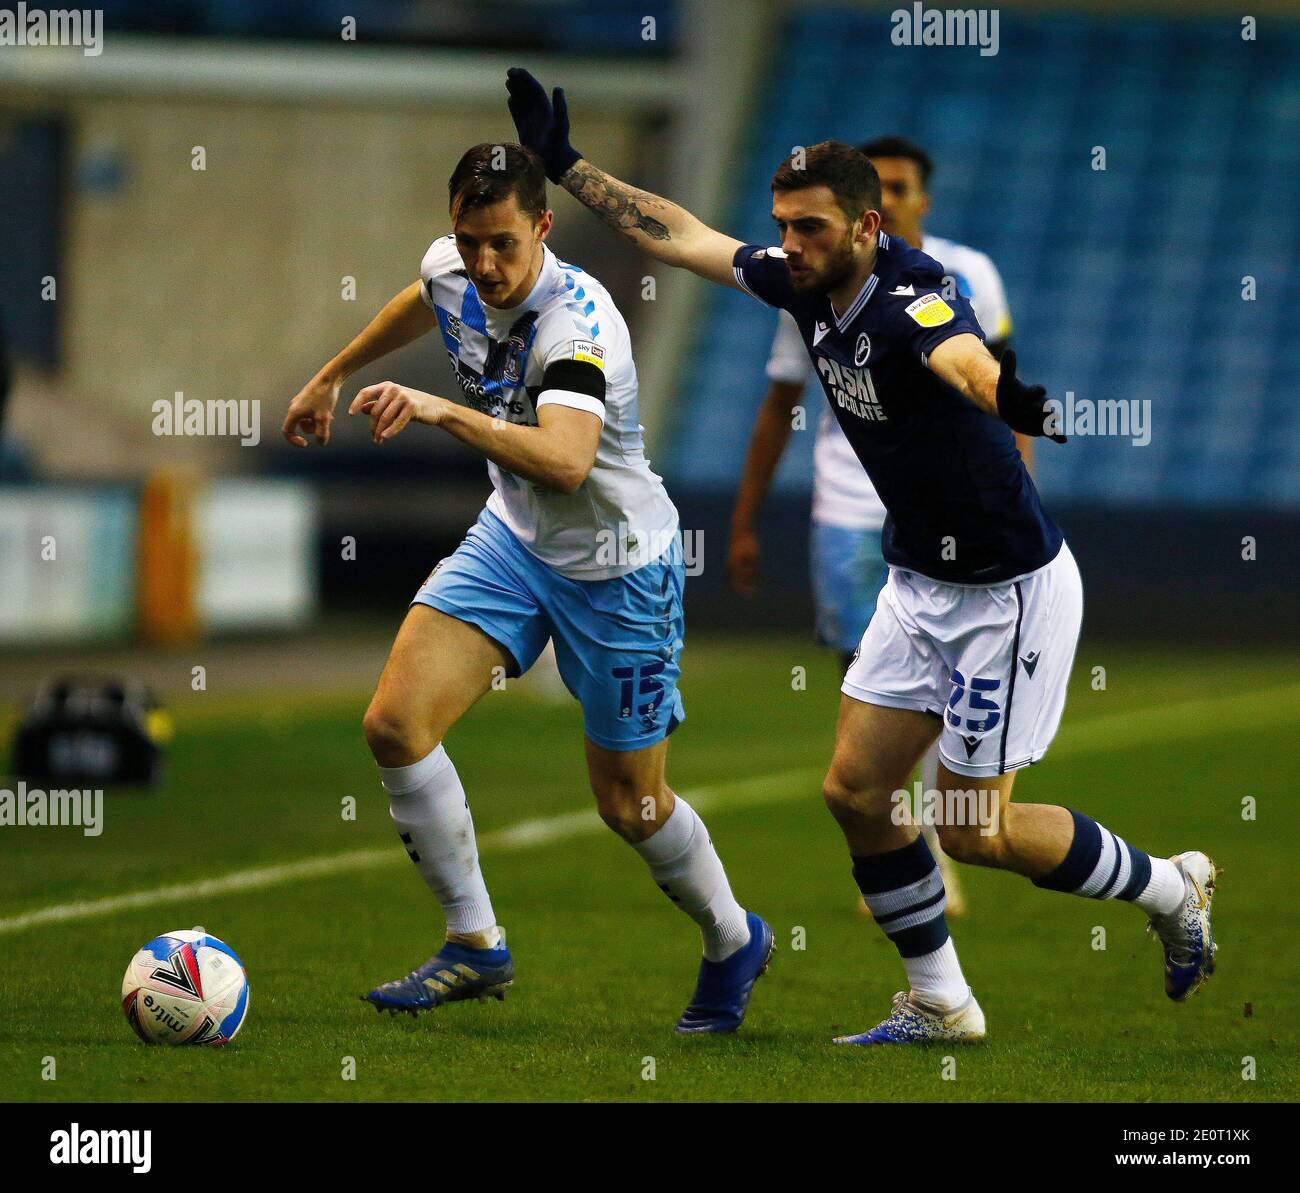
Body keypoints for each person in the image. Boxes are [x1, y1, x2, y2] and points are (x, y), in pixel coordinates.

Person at [504, 68, 1217, 1044]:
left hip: (1004, 591)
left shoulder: (911, 295)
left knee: (976, 830)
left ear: (866, 227)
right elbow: (680, 235)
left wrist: (1005, 397)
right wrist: (567, 165)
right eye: (782, 225)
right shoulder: (800, 287)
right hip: (917, 580)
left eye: (811, 229)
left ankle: (1171, 888)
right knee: (854, 791)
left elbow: (958, 354)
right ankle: (941, 1001)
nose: (790, 245)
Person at [282, 142, 772, 1034]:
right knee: (394, 724)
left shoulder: (579, 324)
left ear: (544, 226)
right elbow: (424, 299)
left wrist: (439, 409)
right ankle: (474, 941)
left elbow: (564, 459)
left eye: (503, 243)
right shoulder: (455, 267)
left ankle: (732, 936)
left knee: (630, 804)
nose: (485, 265)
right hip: (512, 544)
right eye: (470, 242)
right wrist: (333, 370)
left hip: (620, 568)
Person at [728, 134, 1029, 919]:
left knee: (948, 695)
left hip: (949, 522)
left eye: (902, 187)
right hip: (848, 507)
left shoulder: (964, 276)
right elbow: (779, 401)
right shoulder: (809, 274)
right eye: (882, 184)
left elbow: (990, 374)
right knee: (867, 686)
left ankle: (943, 838)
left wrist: (1018, 485)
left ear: (911, 203)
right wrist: (745, 518)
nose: (892, 198)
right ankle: (911, 850)